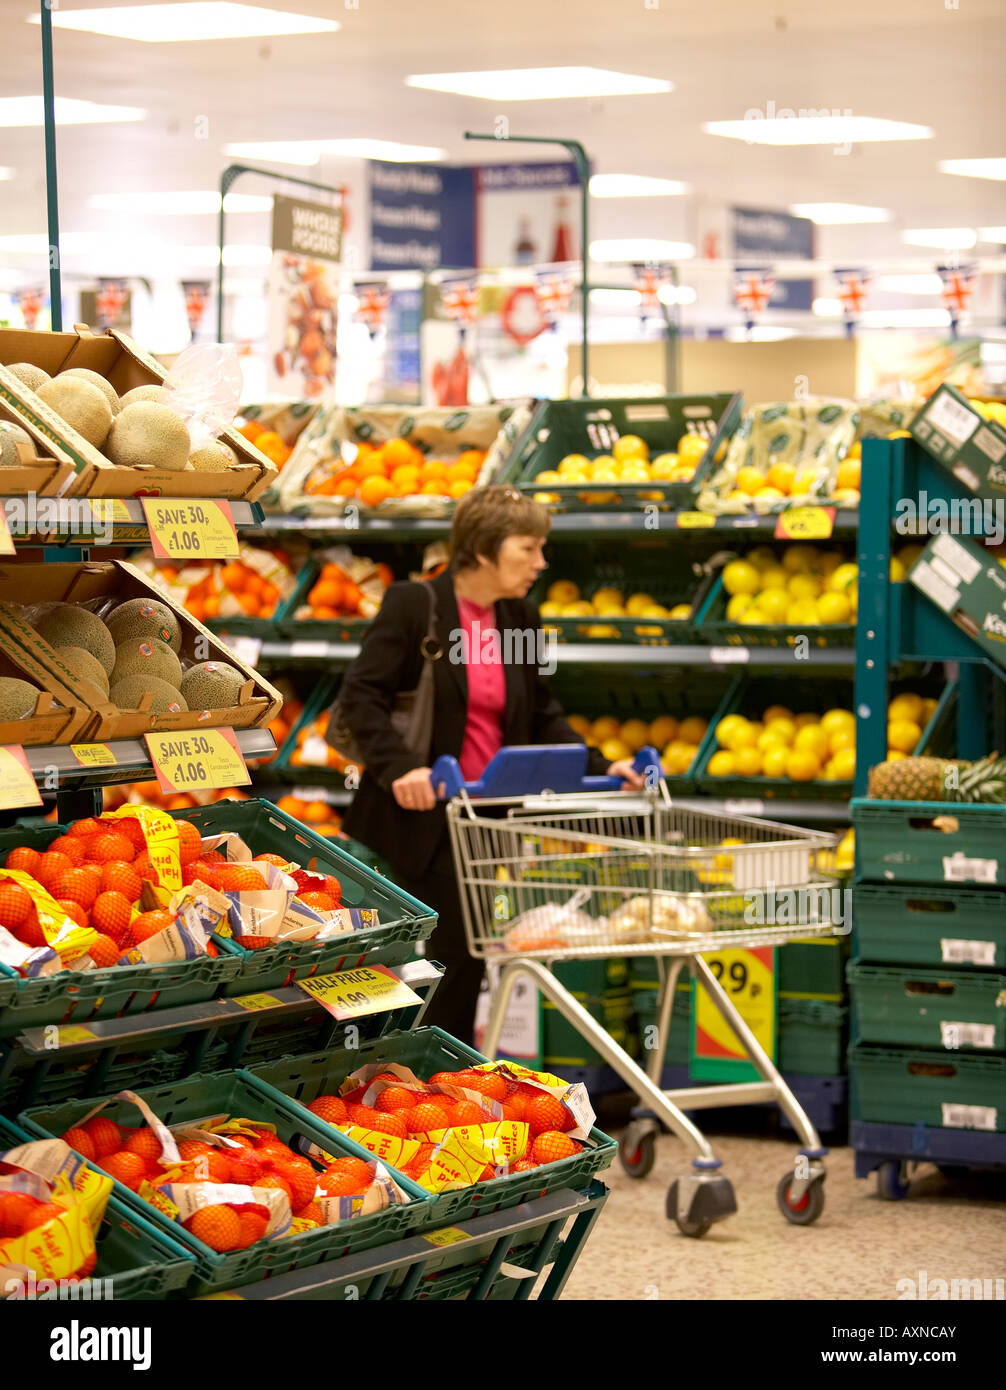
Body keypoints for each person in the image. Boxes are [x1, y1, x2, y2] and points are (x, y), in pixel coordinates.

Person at [336, 485, 643, 1043]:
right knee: (433, 960)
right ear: (483, 549)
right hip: (417, 823)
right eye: (528, 548)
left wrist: (603, 762)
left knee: (463, 960)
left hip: (482, 826)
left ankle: (433, 1081)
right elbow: (361, 699)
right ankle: (398, 1078)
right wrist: (402, 767)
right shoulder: (415, 606)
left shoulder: (519, 618)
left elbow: (541, 711)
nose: (540, 563)